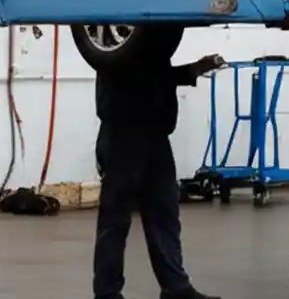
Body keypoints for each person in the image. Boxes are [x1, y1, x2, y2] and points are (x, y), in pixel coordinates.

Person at [86, 45, 227, 299]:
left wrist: (194, 69)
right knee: (116, 218)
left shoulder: (153, 46)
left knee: (165, 212)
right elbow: (142, 77)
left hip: (155, 134)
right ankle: (106, 293)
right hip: (123, 134)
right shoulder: (118, 46)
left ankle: (175, 288)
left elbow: (159, 77)